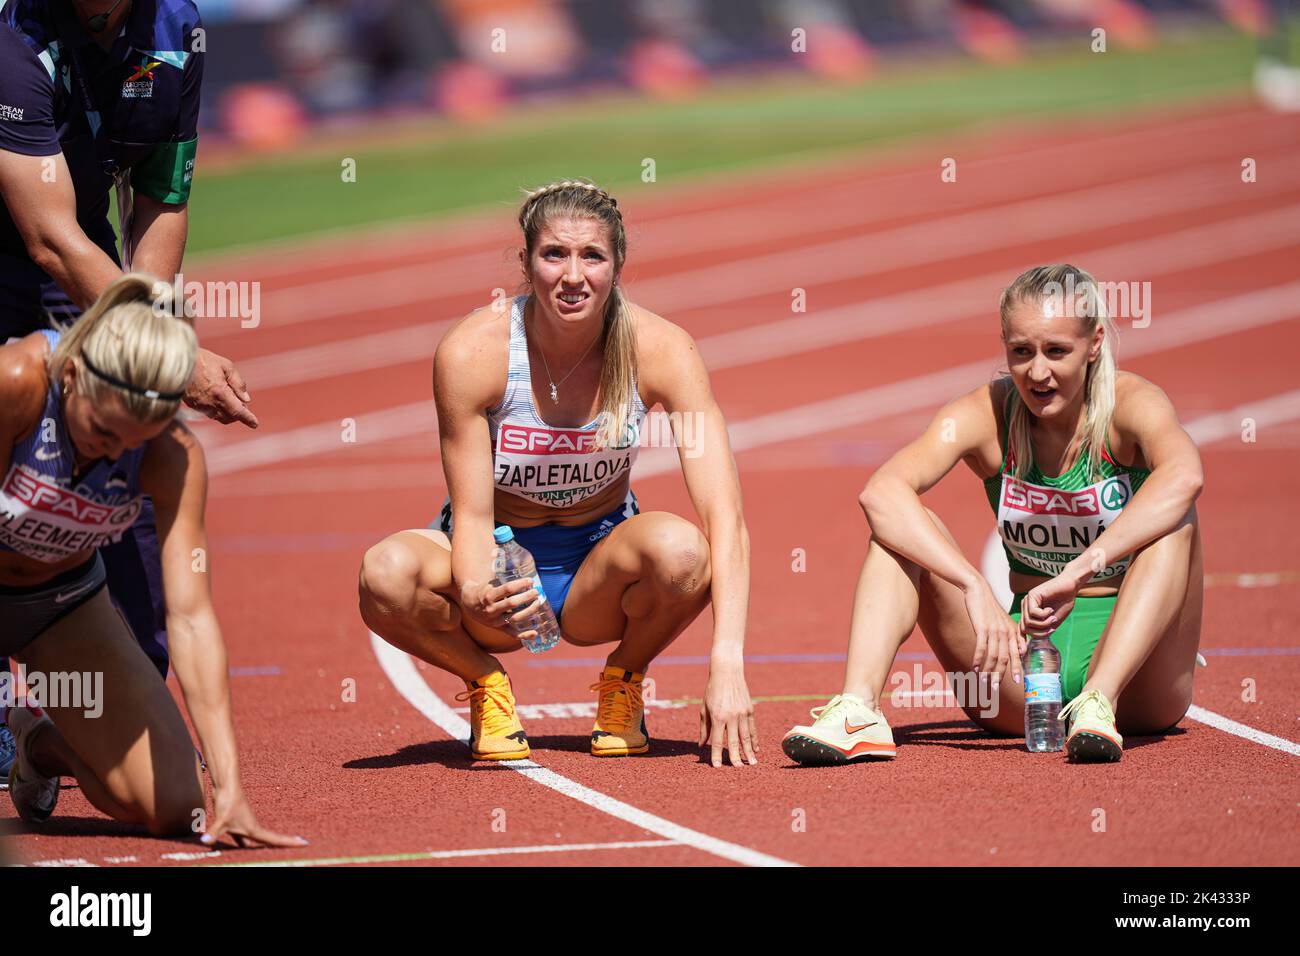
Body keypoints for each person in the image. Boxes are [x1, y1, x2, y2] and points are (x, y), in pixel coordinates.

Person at [360, 179, 759, 768]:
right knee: (384, 574)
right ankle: (485, 683)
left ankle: (624, 677)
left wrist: (727, 661)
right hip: (497, 559)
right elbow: (470, 513)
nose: (573, 276)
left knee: (684, 551)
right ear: (525, 262)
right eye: (554, 255)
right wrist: (475, 588)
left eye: (592, 256)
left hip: (599, 564)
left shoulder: (664, 350)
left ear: (617, 265)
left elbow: (725, 516)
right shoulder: (474, 351)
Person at [783, 264, 1204, 764]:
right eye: (1021, 352)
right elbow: (882, 493)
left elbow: (1184, 476)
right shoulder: (986, 413)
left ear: (1094, 345)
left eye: (1057, 351)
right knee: (899, 535)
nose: (1038, 372)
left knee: (1175, 523)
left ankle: (1098, 701)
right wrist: (971, 584)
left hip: (1140, 683)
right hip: (1024, 677)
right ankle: (859, 711)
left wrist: (1080, 569)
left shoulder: (1130, 405)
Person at [0, 0, 258, 775]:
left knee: (131, 464)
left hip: (86, 258)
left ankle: (64, 717)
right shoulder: (14, 38)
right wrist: (172, 350)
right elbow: (47, 238)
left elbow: (162, 199)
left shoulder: (178, 30)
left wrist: (154, 347)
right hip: (35, 245)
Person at [1, 273, 302, 847]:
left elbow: (191, 618)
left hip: (58, 605)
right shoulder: (16, 383)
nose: (113, 452)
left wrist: (231, 788)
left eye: (131, 443)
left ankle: (39, 740)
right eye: (102, 431)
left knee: (177, 807)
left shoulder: (171, 457)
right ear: (73, 374)